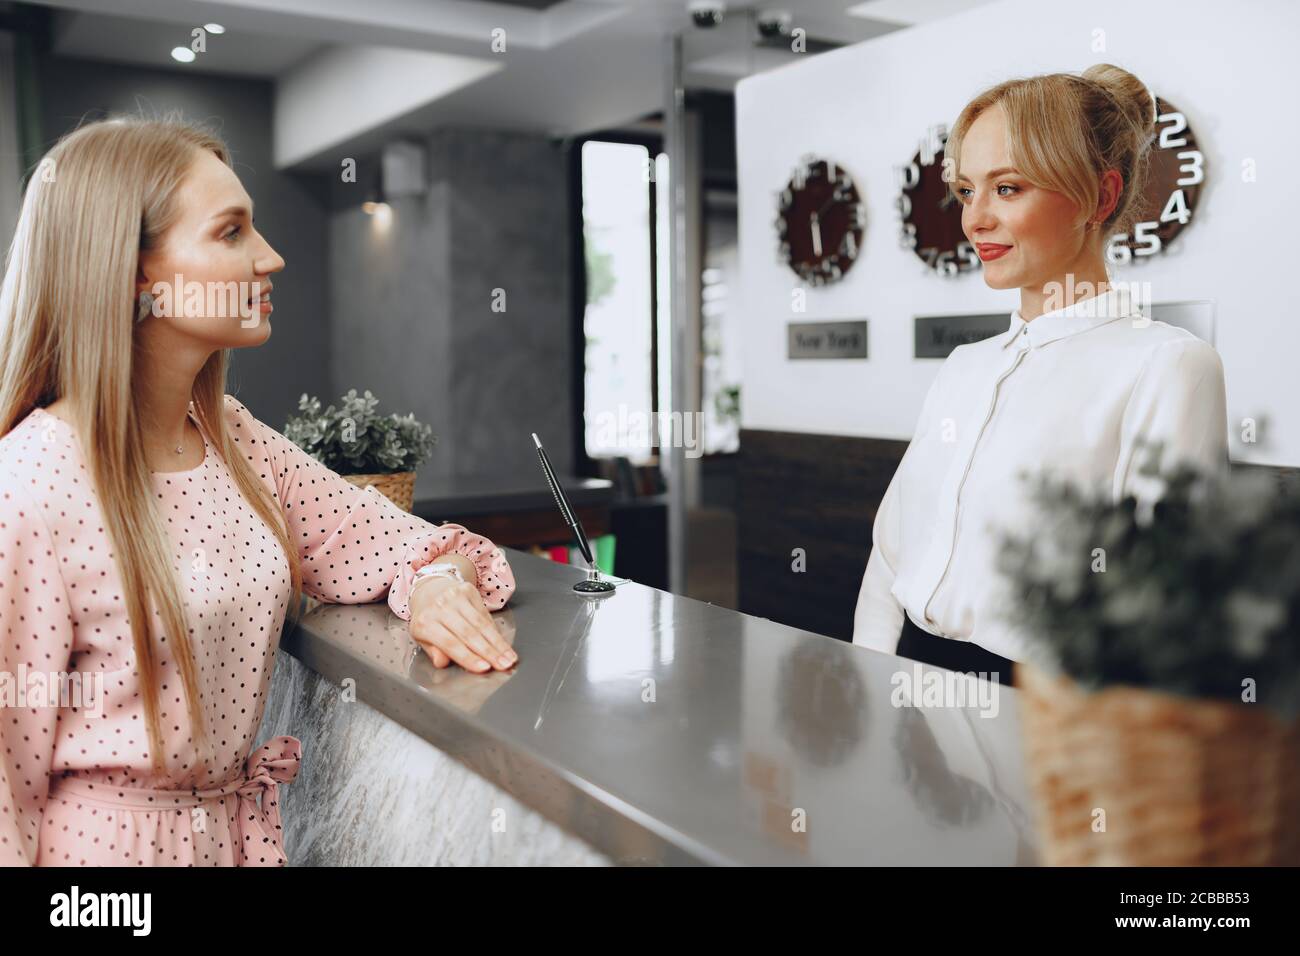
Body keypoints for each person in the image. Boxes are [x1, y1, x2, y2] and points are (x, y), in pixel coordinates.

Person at [0, 114, 518, 866]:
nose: (270, 258)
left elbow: (408, 543)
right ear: (136, 271)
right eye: (231, 231)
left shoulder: (232, 440)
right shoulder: (30, 487)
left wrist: (436, 584)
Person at [851, 64, 1229, 682]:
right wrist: (868, 676)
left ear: (1100, 198)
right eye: (967, 191)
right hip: (909, 687)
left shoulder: (1166, 366)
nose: (974, 220)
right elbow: (892, 554)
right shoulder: (963, 368)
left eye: (1007, 188)